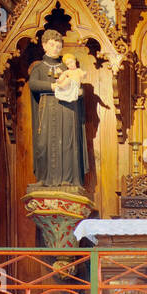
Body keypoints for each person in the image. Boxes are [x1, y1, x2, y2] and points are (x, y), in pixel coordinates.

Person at [28, 30, 90, 187]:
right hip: (46, 109)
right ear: (44, 46)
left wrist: (79, 92)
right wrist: (53, 86)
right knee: (43, 144)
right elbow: (33, 84)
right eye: (52, 45)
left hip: (67, 109)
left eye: (58, 45)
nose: (55, 48)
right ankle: (44, 179)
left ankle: (67, 180)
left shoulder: (67, 67)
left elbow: (78, 86)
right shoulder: (39, 68)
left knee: (68, 143)